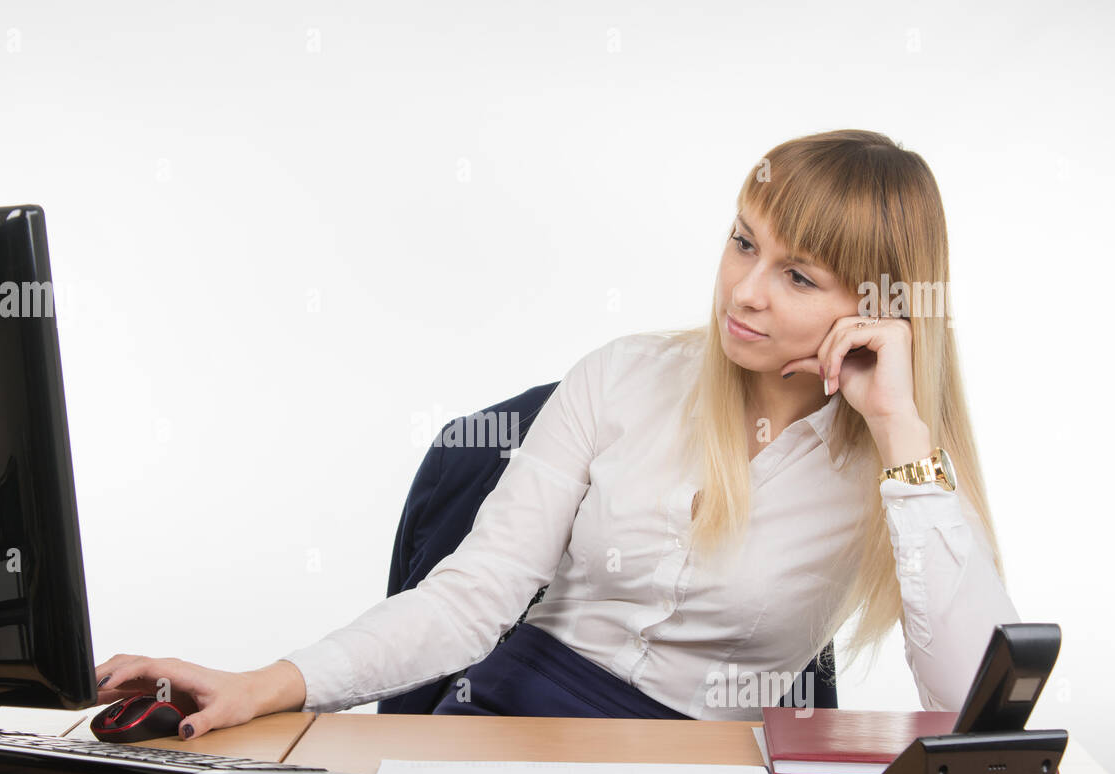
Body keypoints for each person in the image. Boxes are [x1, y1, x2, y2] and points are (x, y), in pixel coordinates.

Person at [96, 129, 1018, 739]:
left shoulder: (900, 472)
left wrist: (900, 428)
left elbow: (977, 707)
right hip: (509, 720)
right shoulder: (623, 377)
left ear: (882, 308)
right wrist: (263, 682)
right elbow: (466, 599)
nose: (745, 289)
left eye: (799, 276)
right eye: (744, 243)